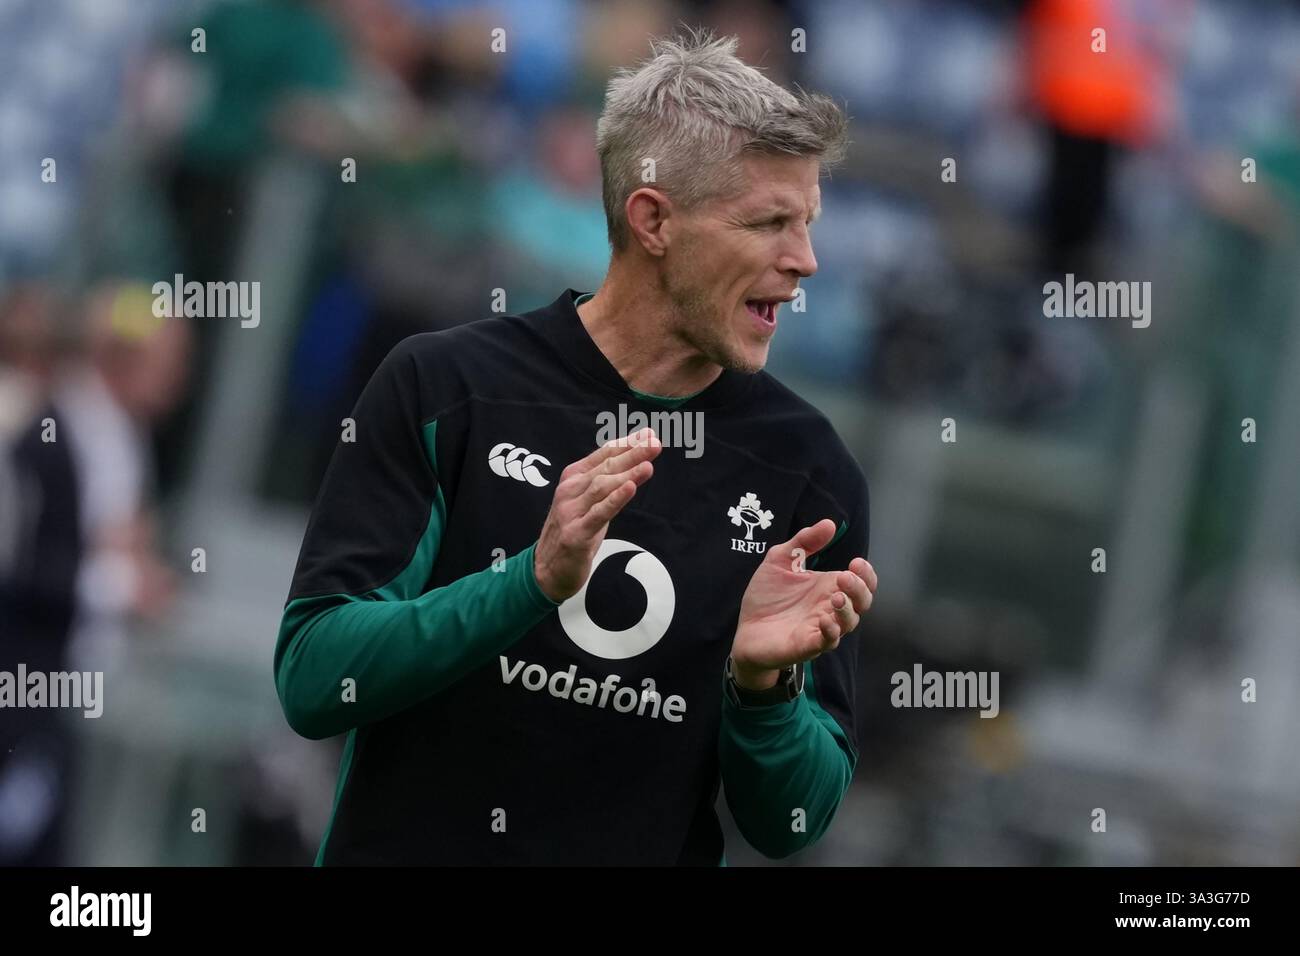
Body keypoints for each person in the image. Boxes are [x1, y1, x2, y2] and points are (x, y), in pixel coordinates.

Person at [275, 29, 877, 865]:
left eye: (807, 223)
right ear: (653, 219)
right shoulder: (446, 387)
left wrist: (763, 691)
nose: (805, 260)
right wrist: (526, 584)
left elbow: (792, 826)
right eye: (769, 222)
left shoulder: (810, 474)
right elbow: (313, 680)